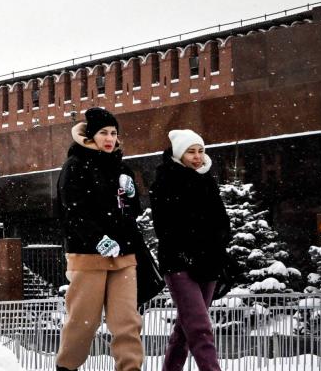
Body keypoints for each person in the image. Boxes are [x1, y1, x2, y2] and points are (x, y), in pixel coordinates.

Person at [56, 107, 144, 371]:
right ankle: (67, 368)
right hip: (88, 255)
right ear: (91, 135)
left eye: (114, 133)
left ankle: (130, 368)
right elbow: (72, 211)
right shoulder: (75, 166)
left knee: (127, 321)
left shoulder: (122, 166)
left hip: (124, 254)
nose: (110, 138)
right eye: (104, 133)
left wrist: (131, 196)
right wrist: (98, 239)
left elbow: (133, 211)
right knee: (83, 322)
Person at [149, 129, 229, 371]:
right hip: (178, 263)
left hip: (209, 263)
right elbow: (165, 227)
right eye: (191, 151)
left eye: (200, 151)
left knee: (185, 328)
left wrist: (220, 253)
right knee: (199, 327)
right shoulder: (165, 180)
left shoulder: (207, 180)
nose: (197, 157)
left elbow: (221, 223)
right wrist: (186, 253)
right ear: (179, 154)